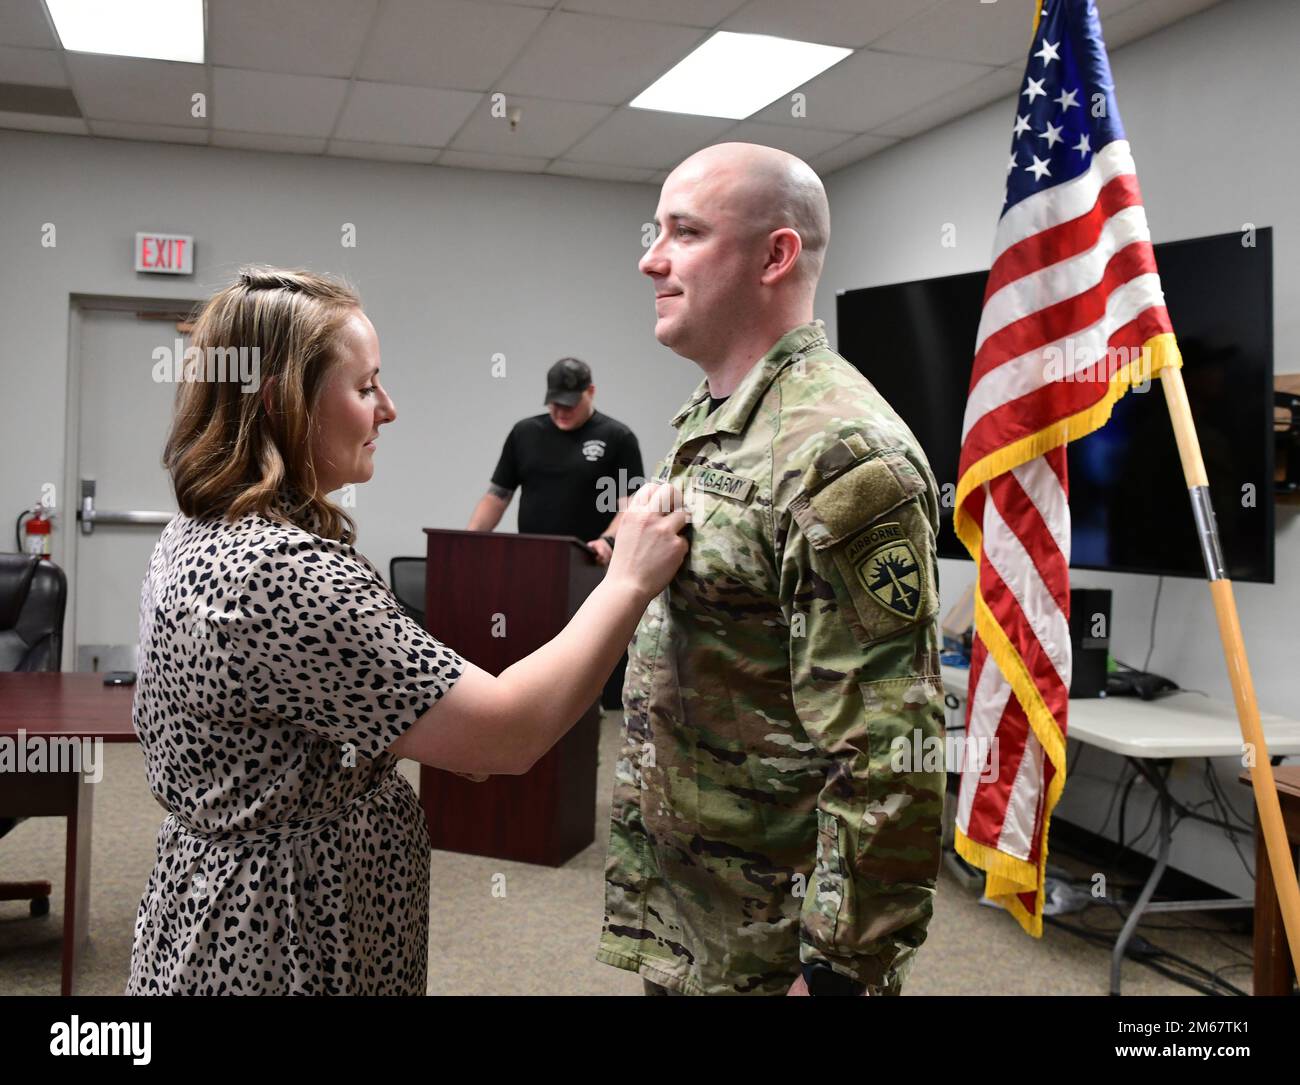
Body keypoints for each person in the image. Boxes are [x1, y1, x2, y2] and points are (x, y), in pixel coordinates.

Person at [126, 267, 687, 995]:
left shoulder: (204, 529)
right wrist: (631, 582)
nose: (388, 408)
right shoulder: (281, 573)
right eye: (364, 389)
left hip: (231, 910)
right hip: (283, 941)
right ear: (281, 403)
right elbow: (507, 734)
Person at [595, 144, 947, 997]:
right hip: (692, 917)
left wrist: (834, 975)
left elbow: (889, 754)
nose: (651, 257)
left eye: (684, 231)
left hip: (775, 949)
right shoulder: (717, 415)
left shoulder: (839, 456)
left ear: (775, 255)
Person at [466, 357, 645, 567]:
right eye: (555, 404)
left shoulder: (618, 437)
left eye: (570, 405)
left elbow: (631, 506)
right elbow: (497, 497)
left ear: (590, 392)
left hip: (589, 563)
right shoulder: (525, 433)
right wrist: (468, 541)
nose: (561, 412)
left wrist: (608, 541)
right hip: (530, 560)